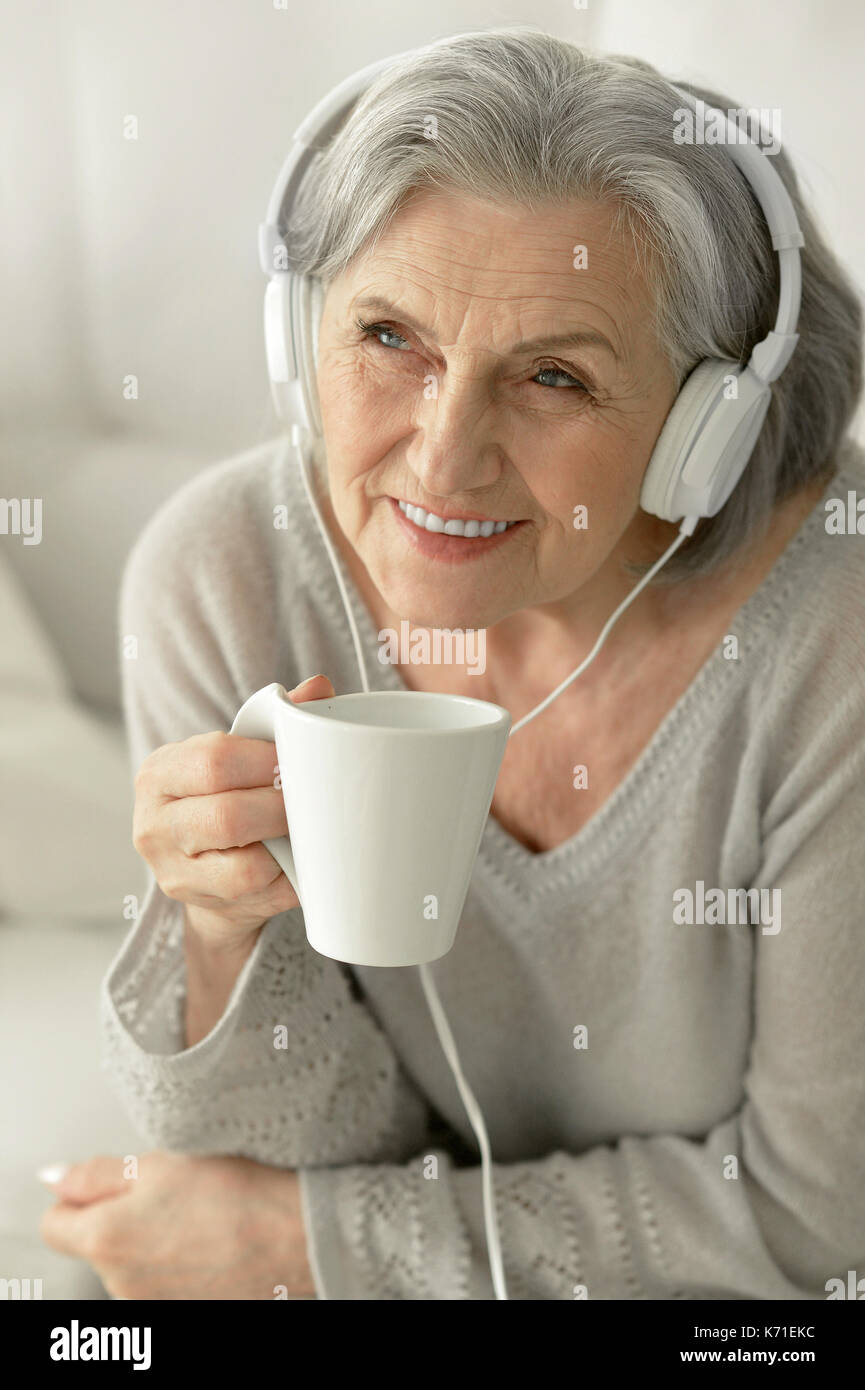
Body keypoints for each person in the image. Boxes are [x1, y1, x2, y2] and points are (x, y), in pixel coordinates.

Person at [40, 27, 865, 1300]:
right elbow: (308, 1154)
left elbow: (816, 1231)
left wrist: (303, 1248)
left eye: (552, 375)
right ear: (301, 336)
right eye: (389, 338)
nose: (441, 458)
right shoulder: (225, 575)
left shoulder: (834, 642)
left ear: (706, 425)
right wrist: (218, 934)